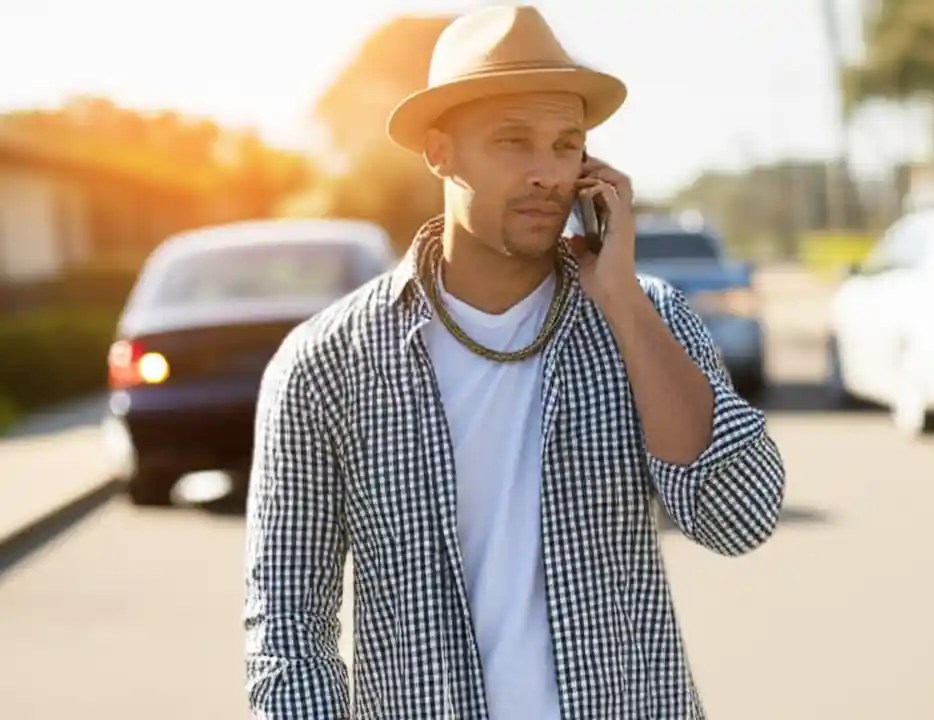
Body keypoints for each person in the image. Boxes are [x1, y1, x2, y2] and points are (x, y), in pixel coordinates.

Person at [244, 6, 786, 719]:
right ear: (440, 152)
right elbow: (287, 631)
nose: (546, 174)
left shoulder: (646, 318)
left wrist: (623, 303)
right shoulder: (324, 367)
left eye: (566, 145)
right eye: (512, 142)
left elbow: (737, 516)